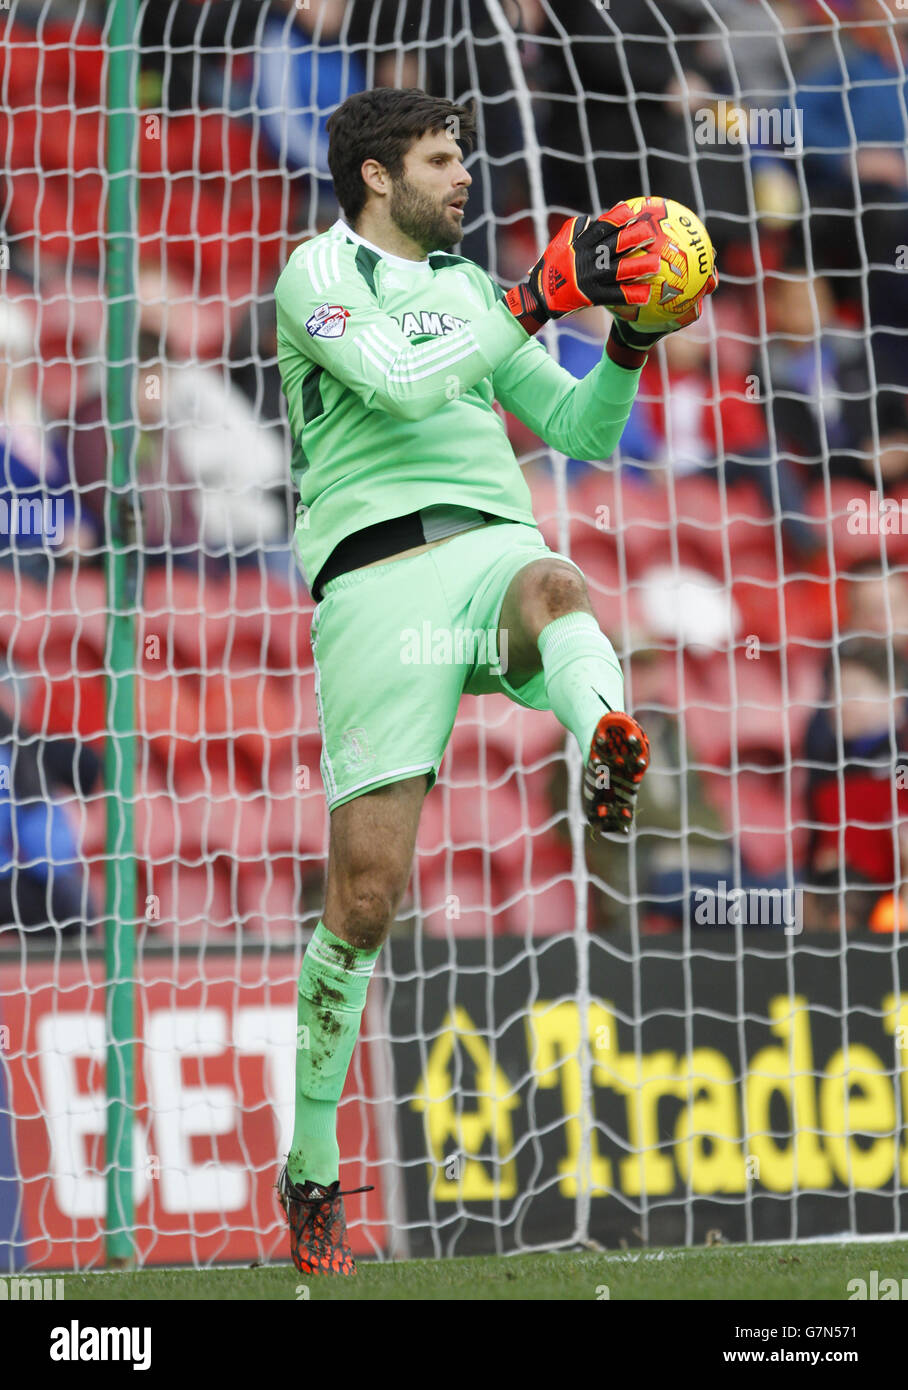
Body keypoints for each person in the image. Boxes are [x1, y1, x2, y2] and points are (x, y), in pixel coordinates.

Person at [270, 87, 717, 1275]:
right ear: (375, 176)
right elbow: (402, 384)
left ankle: (602, 735)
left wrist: (625, 339)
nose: (463, 178)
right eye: (438, 160)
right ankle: (310, 1168)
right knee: (363, 903)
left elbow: (575, 431)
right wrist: (537, 297)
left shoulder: (472, 289)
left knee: (558, 588)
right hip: (372, 582)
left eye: (462, 158)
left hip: (486, 549)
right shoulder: (314, 272)